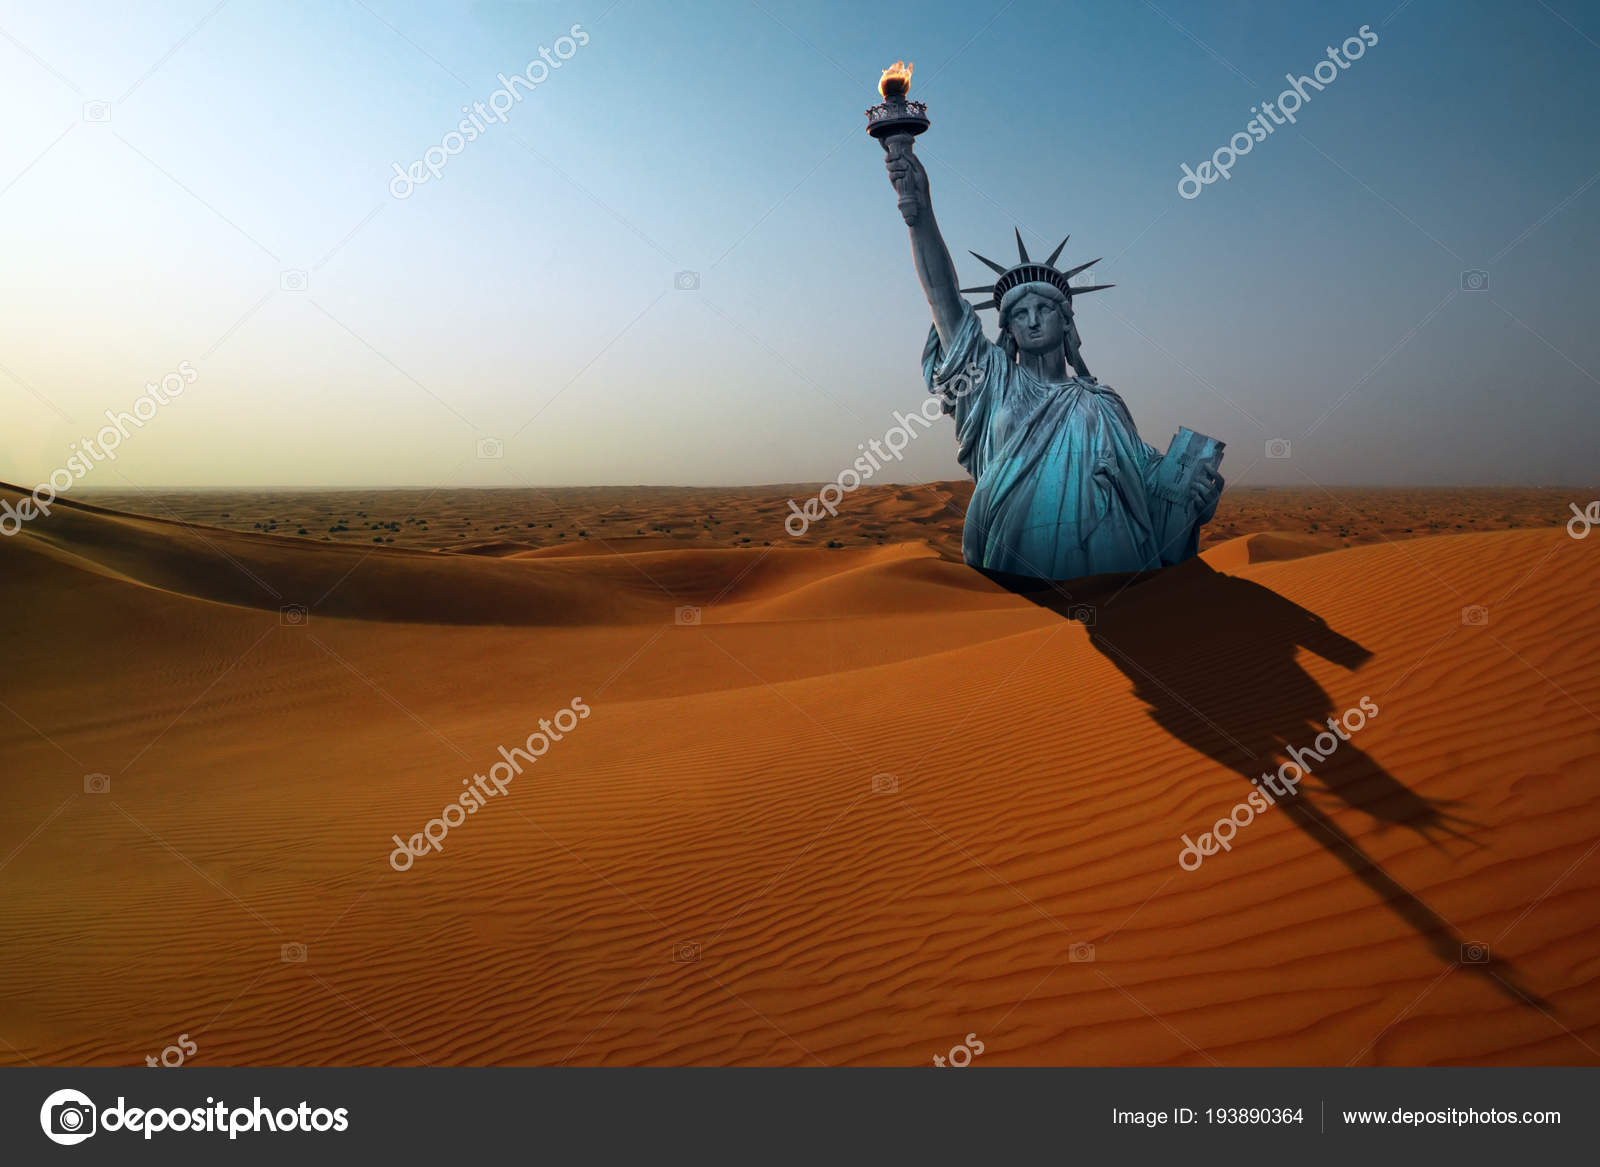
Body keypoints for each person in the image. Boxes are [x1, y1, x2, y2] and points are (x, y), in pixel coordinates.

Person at [884, 134, 1223, 581]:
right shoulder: (992, 382)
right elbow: (943, 298)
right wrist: (919, 211)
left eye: (1044, 308)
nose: (1033, 320)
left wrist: (1197, 491)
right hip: (1015, 562)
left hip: (1111, 566)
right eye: (1019, 314)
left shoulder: (1103, 403)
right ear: (1007, 329)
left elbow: (1147, 480)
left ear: (1066, 322)